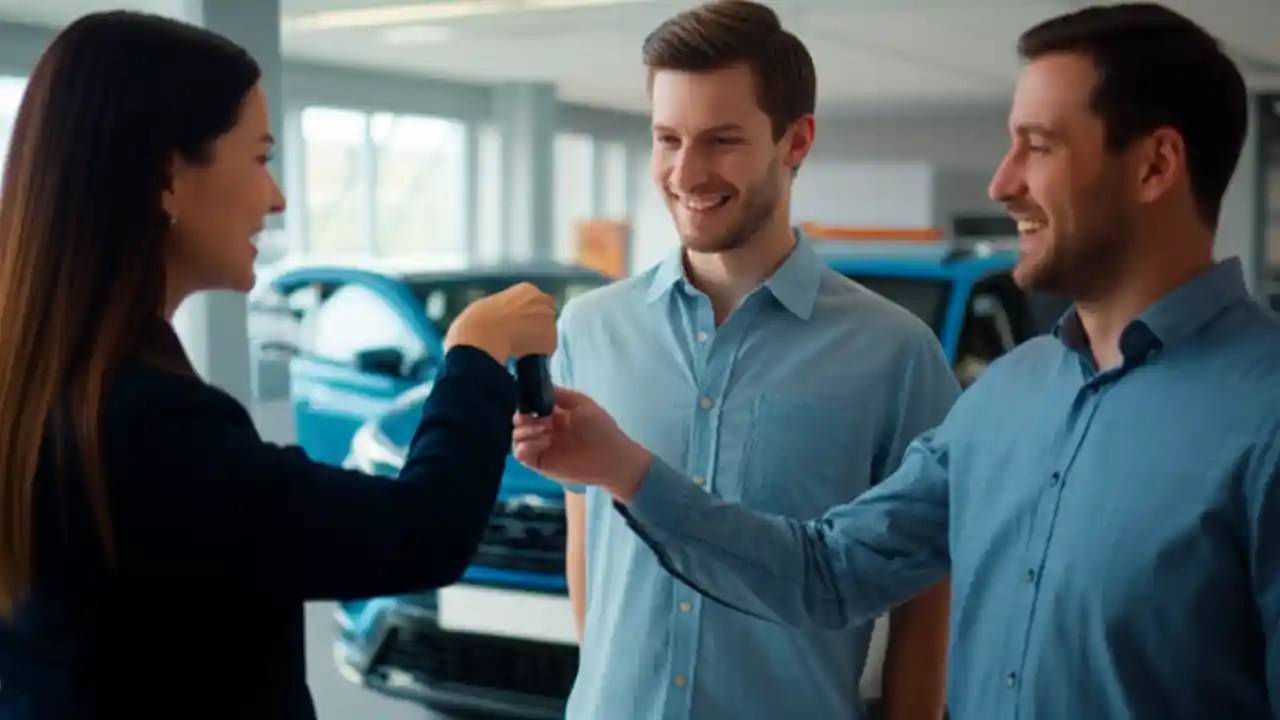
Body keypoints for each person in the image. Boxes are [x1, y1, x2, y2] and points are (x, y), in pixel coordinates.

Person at [516, 4, 1280, 719]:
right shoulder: (1006, 399)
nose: (1001, 182)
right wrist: (627, 473)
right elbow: (828, 574)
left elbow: (920, 614)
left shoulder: (1263, 417)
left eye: (1038, 147)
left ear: (1155, 166)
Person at [0, 12, 556, 719]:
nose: (278, 197)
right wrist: (474, 352)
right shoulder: (150, 424)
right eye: (260, 157)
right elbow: (421, 533)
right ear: (167, 174)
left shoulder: (40, 397)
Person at [552, 2, 955, 718]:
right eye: (667, 138)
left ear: (795, 141)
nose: (686, 171)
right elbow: (589, 551)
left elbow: (926, 604)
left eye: (722, 140)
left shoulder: (895, 355)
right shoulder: (591, 328)